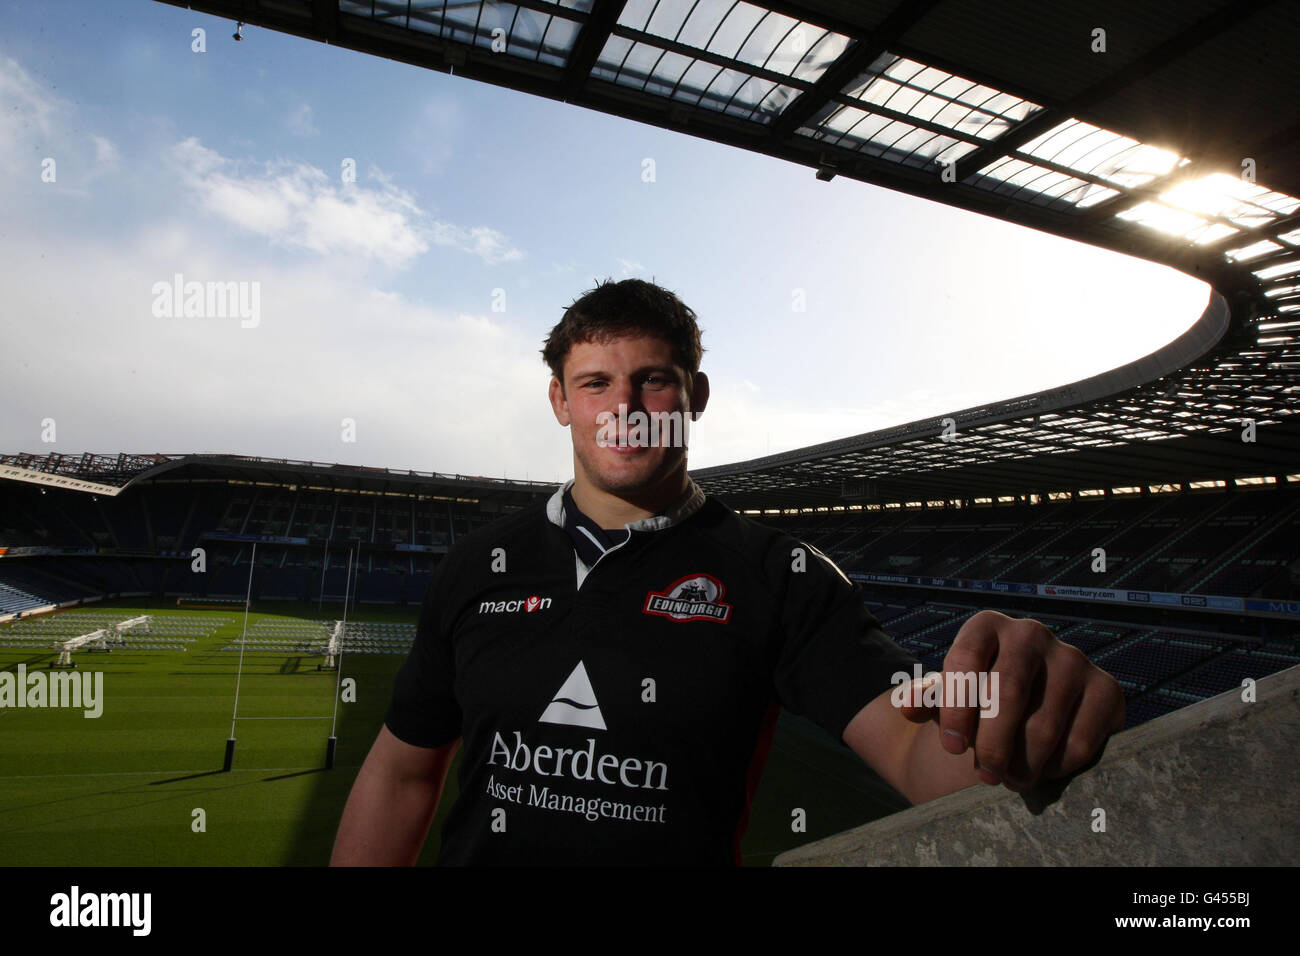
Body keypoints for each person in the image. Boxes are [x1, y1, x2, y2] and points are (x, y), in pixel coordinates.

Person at [330, 278, 1125, 866]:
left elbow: (918, 748)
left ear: (696, 394)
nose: (625, 407)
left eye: (654, 379)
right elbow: (402, 774)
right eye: (596, 383)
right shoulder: (479, 564)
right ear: (560, 401)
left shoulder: (782, 575)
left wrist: (1010, 706)